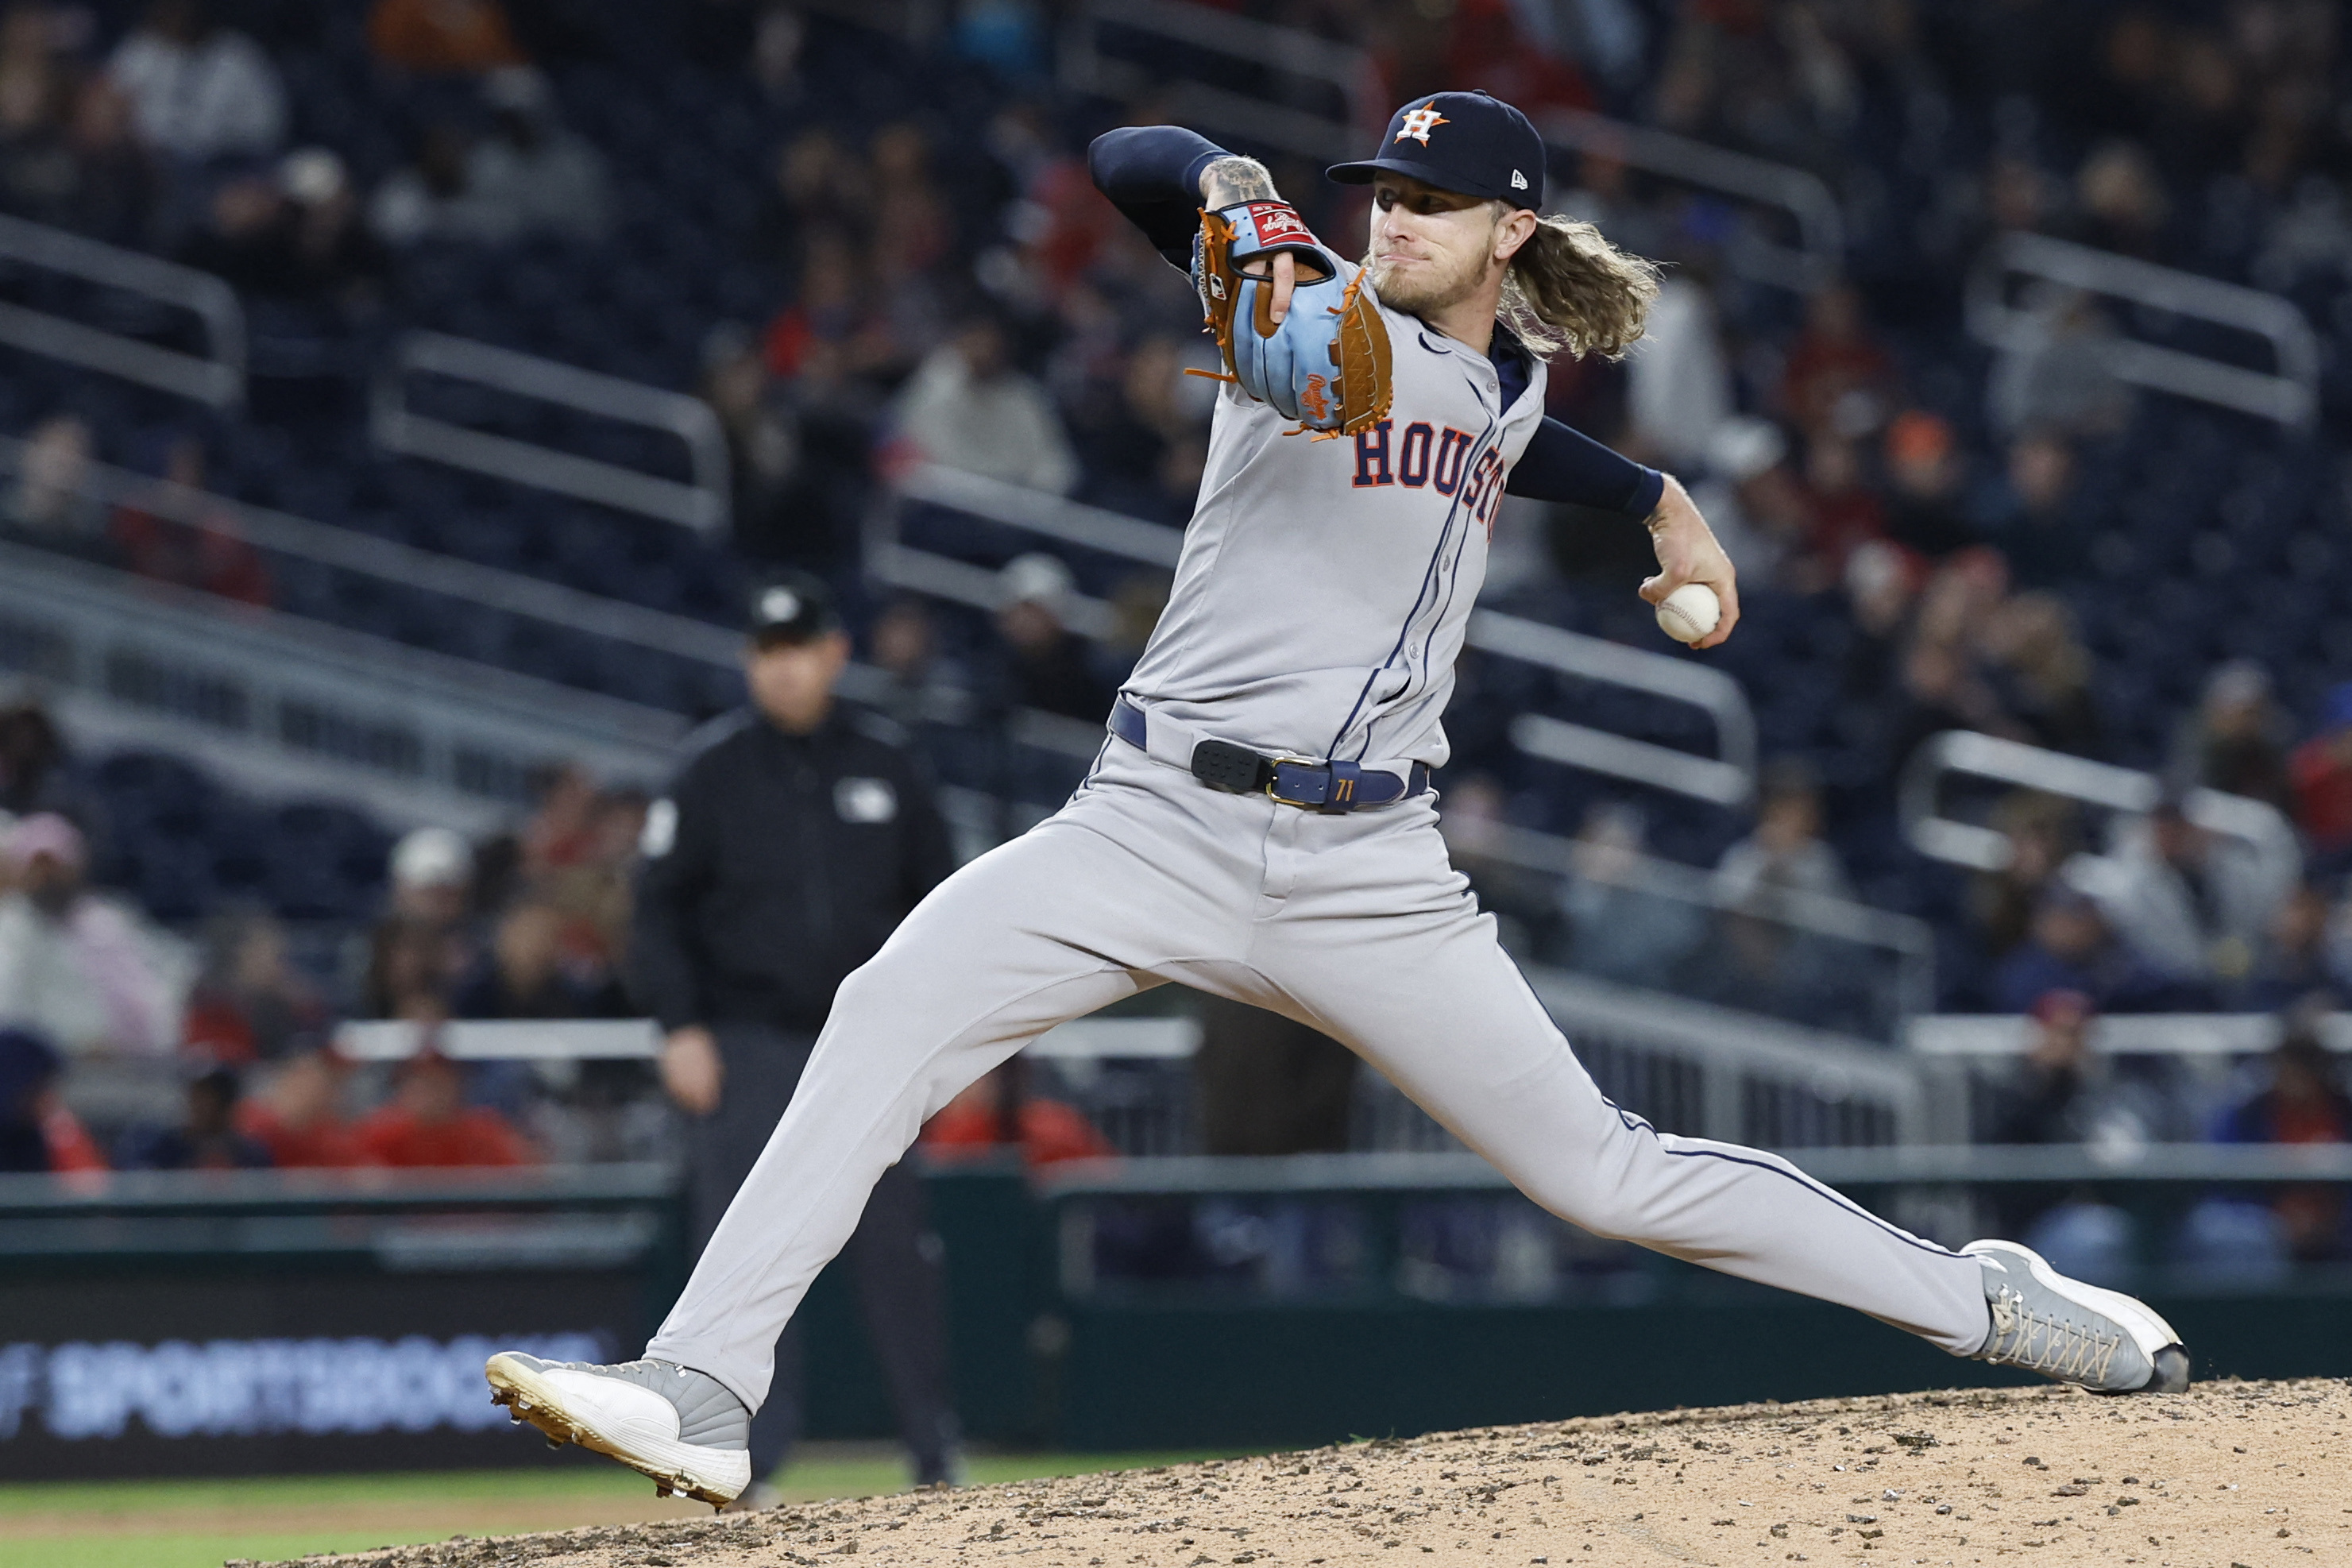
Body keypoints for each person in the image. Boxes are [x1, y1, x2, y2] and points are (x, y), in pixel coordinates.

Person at [487, 91, 2189, 1511]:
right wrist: (1238, 193)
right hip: (1149, 824)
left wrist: (1664, 498)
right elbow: (1128, 155)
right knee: (888, 1011)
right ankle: (706, 1385)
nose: (1393, 222)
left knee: (1602, 1176)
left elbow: (1516, 432)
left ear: (1507, 233)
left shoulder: (1508, 384)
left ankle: (1983, 1303)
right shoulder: (1285, 305)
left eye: (1433, 203)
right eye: (1383, 193)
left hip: (1371, 866)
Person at [622, 571, 963, 1503]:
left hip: (867, 1045)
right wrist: (680, 1027)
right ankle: (751, 1461)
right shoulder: (710, 772)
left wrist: (938, 1031)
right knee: (747, 1249)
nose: (784, 670)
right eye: (767, 653)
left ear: (833, 654)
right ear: (749, 662)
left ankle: (933, 1451)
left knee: (895, 1248)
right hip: (748, 1040)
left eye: (799, 650)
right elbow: (656, 911)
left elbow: (947, 906)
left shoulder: (889, 764)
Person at [0, 813, 180, 1057]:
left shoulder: (106, 923)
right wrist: (74, 1044)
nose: (48, 877)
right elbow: (11, 1010)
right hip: (43, 1066)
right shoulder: (12, 927)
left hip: (124, 1068)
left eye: (55, 865)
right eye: (38, 866)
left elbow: (149, 1003)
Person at [351, 1049, 535, 1166]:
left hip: (471, 1227)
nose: (430, 1093)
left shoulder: (484, 1133)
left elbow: (526, 1180)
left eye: (439, 1082)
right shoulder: (379, 1134)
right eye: (420, 1081)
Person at [116, 1064, 273, 1168]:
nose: (204, 1105)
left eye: (215, 1095)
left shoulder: (250, 1154)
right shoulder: (158, 1145)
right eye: (198, 1094)